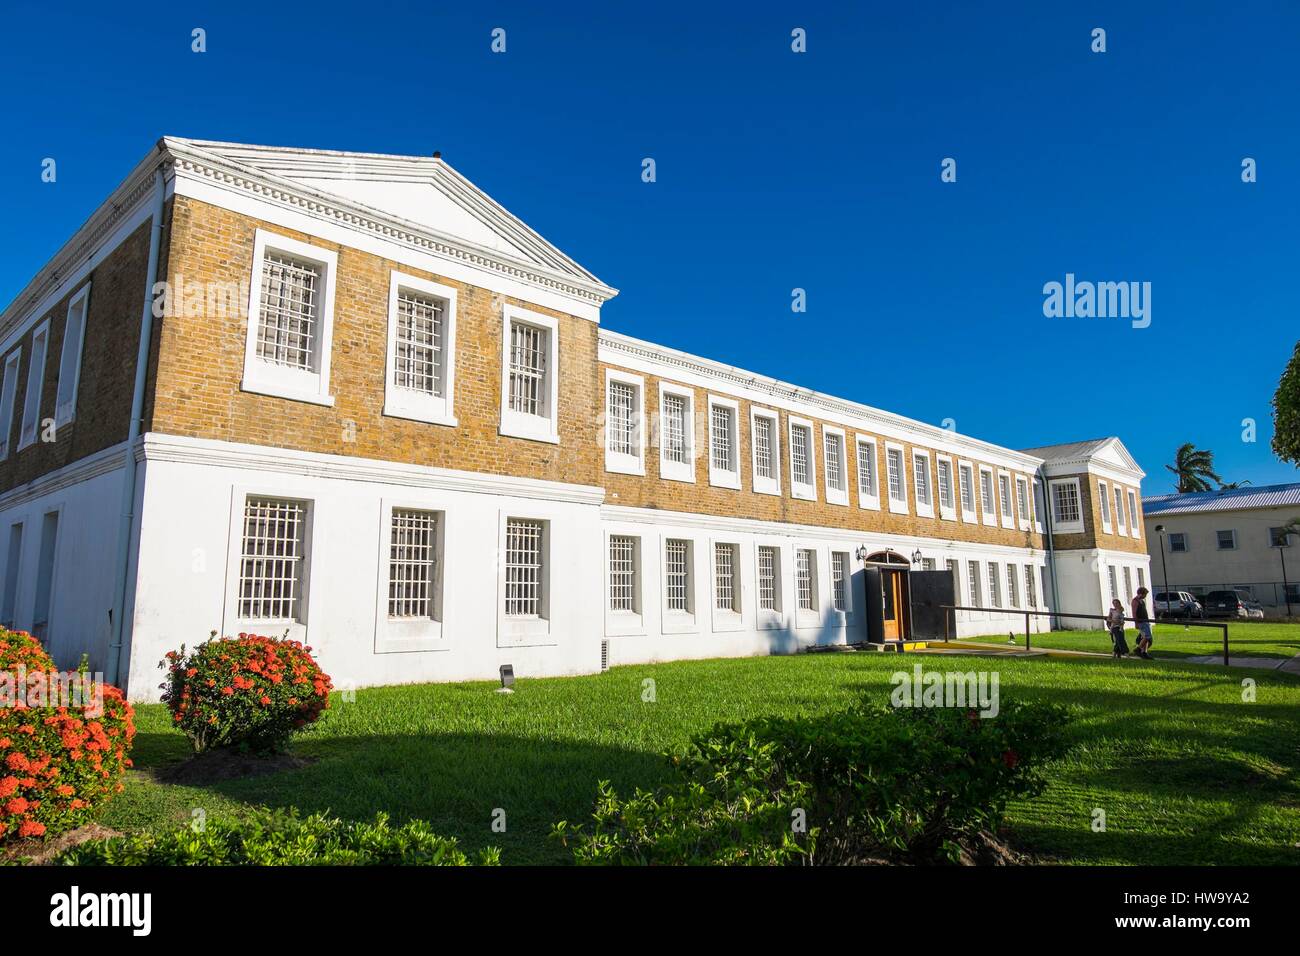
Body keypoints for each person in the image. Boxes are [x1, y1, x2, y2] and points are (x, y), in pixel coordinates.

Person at [1131, 587, 1154, 659]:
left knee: (1146, 638)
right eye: (1145, 594)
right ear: (1141, 593)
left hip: (1145, 621)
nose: (1145, 596)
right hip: (1141, 622)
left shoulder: (1141, 601)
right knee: (1147, 636)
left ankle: (1144, 652)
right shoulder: (1135, 601)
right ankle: (1138, 649)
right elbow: (1134, 613)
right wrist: (1136, 623)